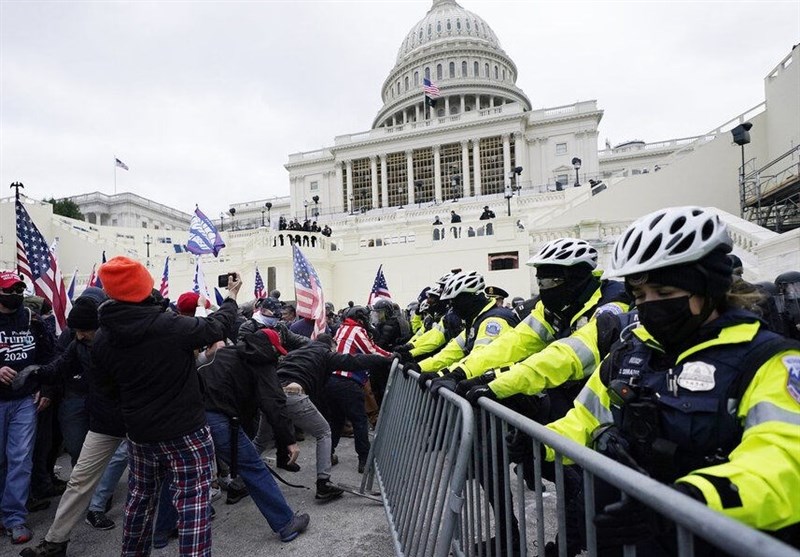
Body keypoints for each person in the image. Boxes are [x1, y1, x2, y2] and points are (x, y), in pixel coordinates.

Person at [544, 206, 800, 554]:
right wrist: (537, 444)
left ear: (707, 289)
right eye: (640, 297)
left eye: (664, 294)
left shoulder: (768, 360)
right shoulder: (631, 352)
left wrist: (690, 499)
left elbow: (783, 462)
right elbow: (585, 419)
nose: (650, 306)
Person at [91, 257, 241, 557]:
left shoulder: (103, 338)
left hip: (140, 434)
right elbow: (216, 326)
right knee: (194, 504)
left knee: (140, 501)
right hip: (186, 431)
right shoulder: (168, 325)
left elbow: (106, 390)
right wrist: (232, 298)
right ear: (145, 286)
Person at [191, 328, 309, 542]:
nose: (279, 355)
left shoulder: (227, 353)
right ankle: (286, 523)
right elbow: (273, 403)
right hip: (219, 420)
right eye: (277, 350)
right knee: (254, 468)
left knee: (184, 471)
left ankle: (164, 529)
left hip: (193, 416)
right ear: (269, 348)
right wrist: (289, 441)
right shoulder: (261, 362)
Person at [277, 333, 391, 499]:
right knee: (325, 431)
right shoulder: (325, 354)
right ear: (331, 346)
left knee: (261, 438)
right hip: (294, 393)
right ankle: (324, 483)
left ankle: (240, 480)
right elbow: (355, 361)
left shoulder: (295, 353)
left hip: (272, 393)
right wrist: (385, 359)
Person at [0, 271, 55, 545]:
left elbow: (50, 355)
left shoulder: (33, 320)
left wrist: (46, 388)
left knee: (20, 458)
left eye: (20, 289)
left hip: (25, 399)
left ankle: (14, 518)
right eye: (10, 290)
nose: (17, 295)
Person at [326, 306, 391, 473]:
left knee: (336, 421)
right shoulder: (356, 331)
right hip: (349, 381)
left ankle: (328, 454)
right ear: (361, 319)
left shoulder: (341, 329)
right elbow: (372, 351)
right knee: (359, 421)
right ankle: (364, 460)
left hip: (331, 380)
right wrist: (391, 357)